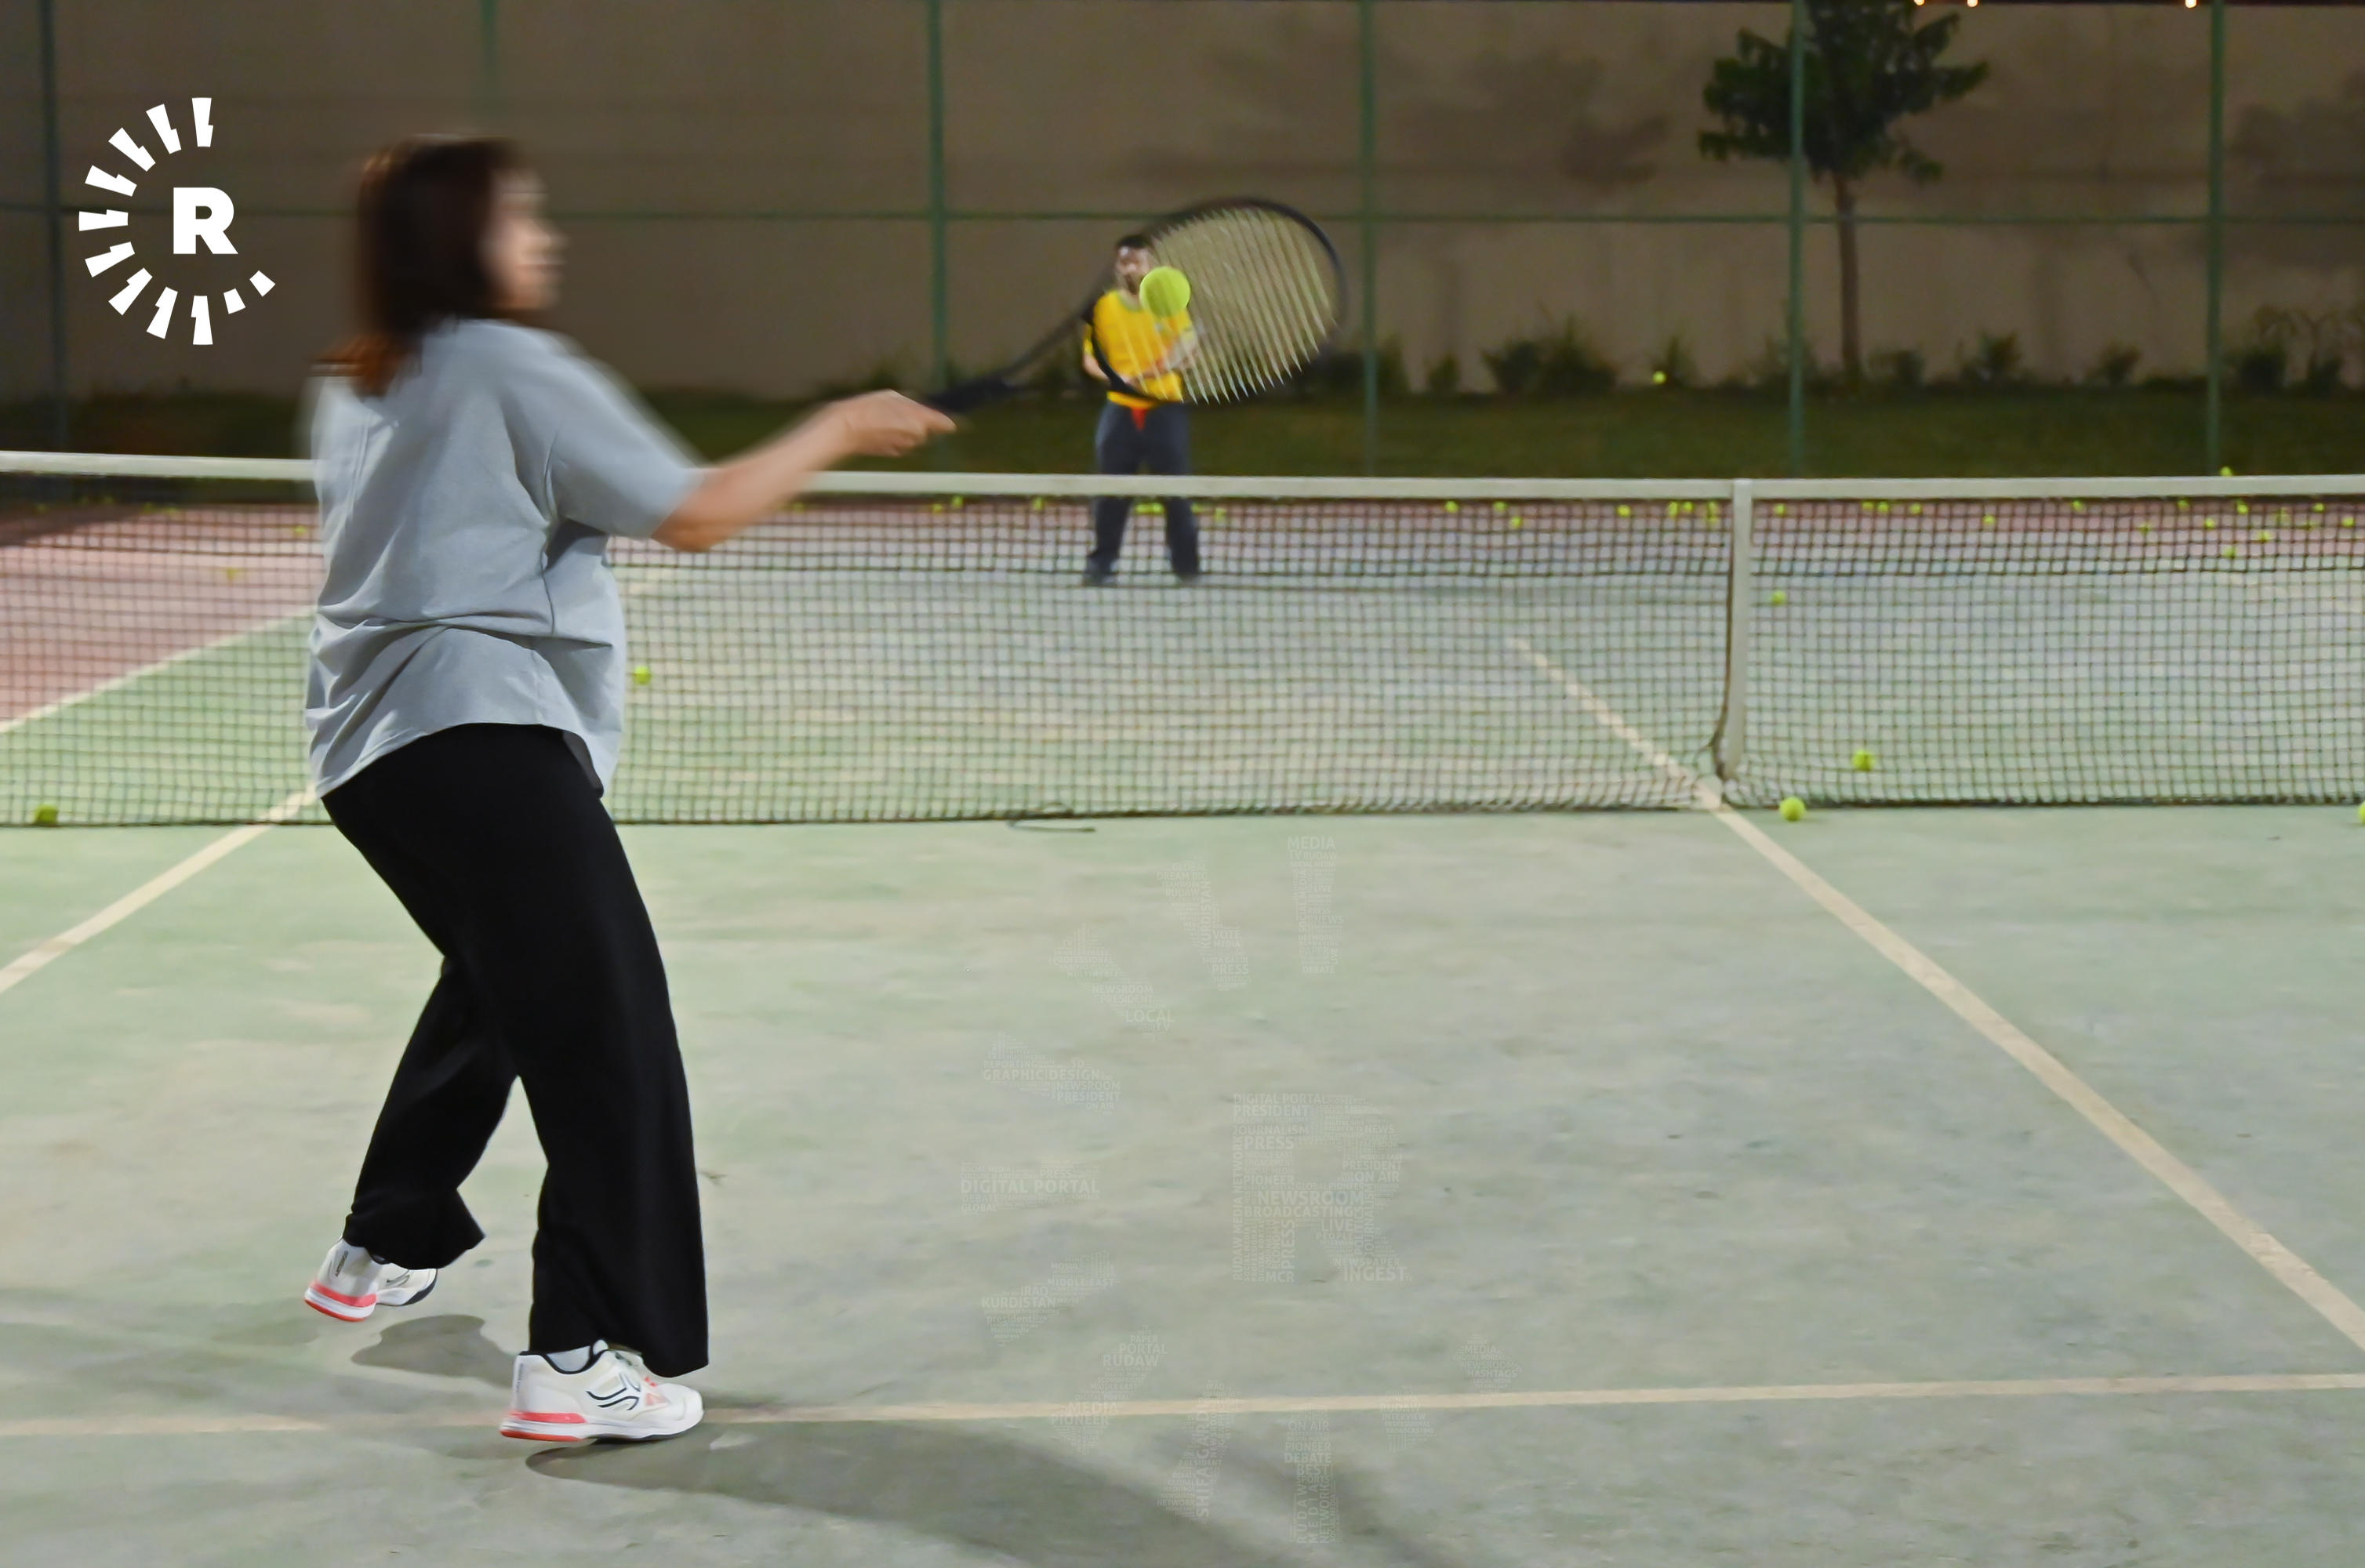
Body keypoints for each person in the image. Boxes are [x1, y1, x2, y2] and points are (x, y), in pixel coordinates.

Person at [298, 135, 950, 1444]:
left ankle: (389, 1234)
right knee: (611, 1040)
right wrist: (841, 425)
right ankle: (577, 1356)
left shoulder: (361, 379)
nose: (544, 241)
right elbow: (694, 512)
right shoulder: (508, 363)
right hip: (485, 737)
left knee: (505, 986)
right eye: (519, 220)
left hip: (371, 757)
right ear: (459, 240)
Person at [1081, 234, 1201, 586]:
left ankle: (1187, 568)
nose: (1131, 267)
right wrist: (1115, 378)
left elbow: (1188, 352)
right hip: (1120, 411)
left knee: (1175, 493)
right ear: (1117, 266)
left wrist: (1152, 373)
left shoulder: (1168, 303)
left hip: (1165, 409)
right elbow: (1090, 360)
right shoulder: (1102, 308)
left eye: (1138, 260)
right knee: (1111, 493)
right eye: (1125, 261)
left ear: (1150, 265)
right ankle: (1101, 565)